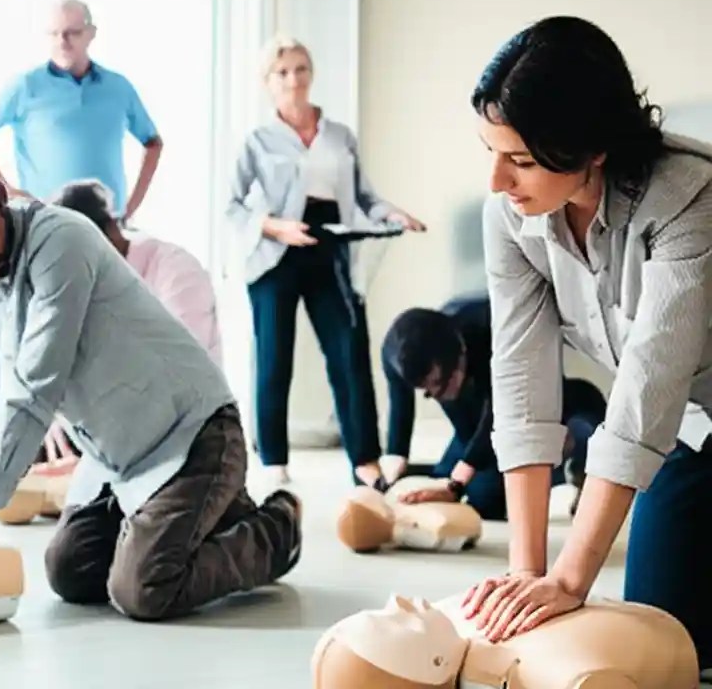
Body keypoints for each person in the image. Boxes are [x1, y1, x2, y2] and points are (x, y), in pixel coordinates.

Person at [0, 150, 302, 622]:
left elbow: (35, 384)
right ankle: (218, 512)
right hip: (114, 458)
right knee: (71, 573)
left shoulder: (61, 240)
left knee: (143, 590)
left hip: (195, 434)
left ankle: (277, 528)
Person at [458, 16, 712, 677]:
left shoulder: (690, 197)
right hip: (690, 433)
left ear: (592, 148)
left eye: (519, 159)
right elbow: (521, 380)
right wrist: (527, 573)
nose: (496, 180)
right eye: (491, 150)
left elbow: (646, 389)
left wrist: (571, 580)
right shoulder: (510, 217)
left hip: (664, 409)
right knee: (667, 639)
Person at [226, 36, 425, 488]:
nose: (292, 79)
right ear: (267, 82)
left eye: (300, 69)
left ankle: (365, 459)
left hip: (329, 244)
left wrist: (393, 214)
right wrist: (276, 227)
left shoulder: (338, 136)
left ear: (311, 74)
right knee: (274, 359)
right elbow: (233, 205)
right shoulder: (258, 142)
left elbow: (364, 197)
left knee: (349, 352)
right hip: (275, 255)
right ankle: (273, 461)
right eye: (282, 72)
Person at [38, 178, 224, 468]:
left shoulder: (174, 267)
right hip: (111, 424)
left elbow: (182, 369)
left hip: (182, 423)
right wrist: (57, 419)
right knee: (30, 445)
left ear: (111, 229)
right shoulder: (73, 281)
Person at [381, 294, 605, 520]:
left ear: (460, 352)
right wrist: (392, 467)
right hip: (478, 422)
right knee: (467, 494)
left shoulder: (494, 327)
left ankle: (573, 462)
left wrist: (458, 481)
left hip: (532, 404)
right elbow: (401, 413)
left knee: (484, 495)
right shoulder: (397, 358)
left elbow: (499, 412)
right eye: (429, 391)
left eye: (442, 383)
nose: (441, 395)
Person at [0, 0, 162, 224]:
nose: (62, 42)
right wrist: (5, 188)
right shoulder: (26, 86)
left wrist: (131, 206)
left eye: (72, 33)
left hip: (108, 225)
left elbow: (153, 142)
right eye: (54, 34)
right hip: (46, 223)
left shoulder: (118, 87)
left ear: (91, 33)